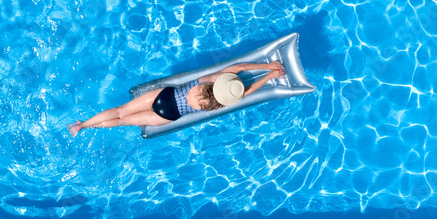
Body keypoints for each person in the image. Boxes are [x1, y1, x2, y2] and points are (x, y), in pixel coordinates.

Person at [67, 61, 286, 137]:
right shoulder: (218, 103)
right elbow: (247, 91)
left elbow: (240, 67)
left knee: (120, 111)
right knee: (124, 121)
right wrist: (270, 77)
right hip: (169, 114)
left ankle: (82, 124)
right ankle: (86, 128)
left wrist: (267, 66)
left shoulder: (210, 80)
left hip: (165, 95)